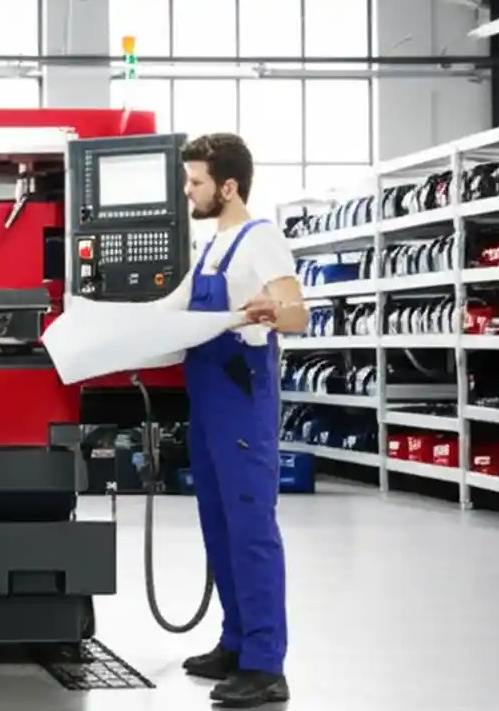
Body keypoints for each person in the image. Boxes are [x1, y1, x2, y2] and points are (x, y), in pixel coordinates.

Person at [152, 132, 305, 707]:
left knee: (251, 531)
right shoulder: (213, 246)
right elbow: (170, 313)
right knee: (218, 526)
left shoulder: (259, 240)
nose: (188, 191)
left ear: (228, 185)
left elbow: (299, 315)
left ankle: (266, 664)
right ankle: (236, 641)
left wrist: (273, 310)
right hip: (208, 405)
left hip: (242, 400)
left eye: (196, 182)